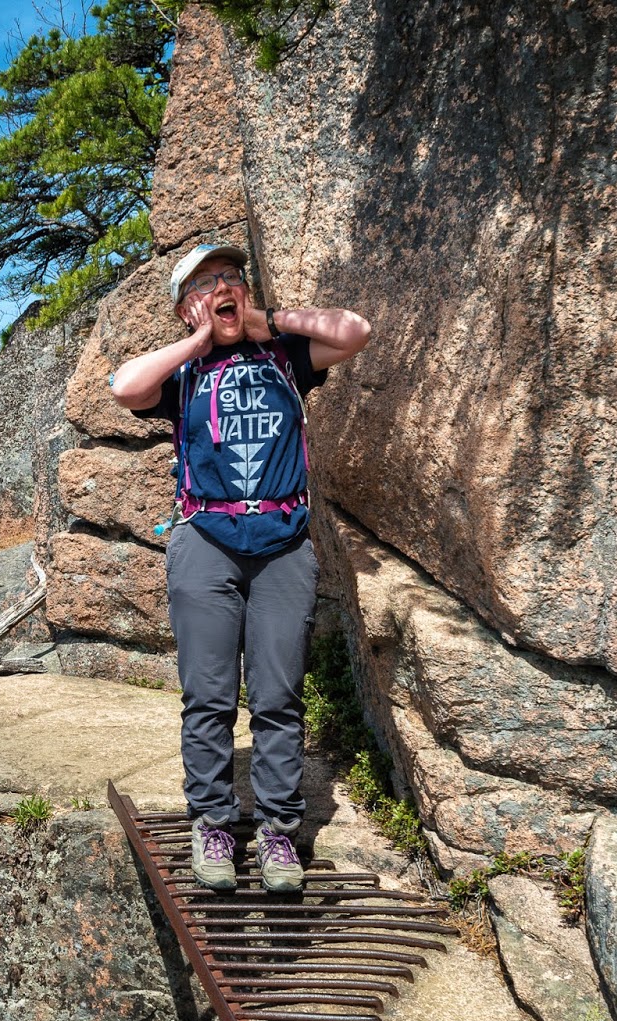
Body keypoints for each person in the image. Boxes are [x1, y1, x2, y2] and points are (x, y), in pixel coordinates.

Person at [109, 243, 371, 893]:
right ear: (184, 308)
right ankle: (214, 825)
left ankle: (280, 833)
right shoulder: (183, 377)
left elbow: (355, 332)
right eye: (204, 286)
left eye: (229, 278)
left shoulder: (285, 358)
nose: (222, 288)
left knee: (279, 697)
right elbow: (124, 386)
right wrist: (196, 343)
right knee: (209, 697)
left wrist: (271, 321)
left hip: (283, 540)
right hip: (207, 538)